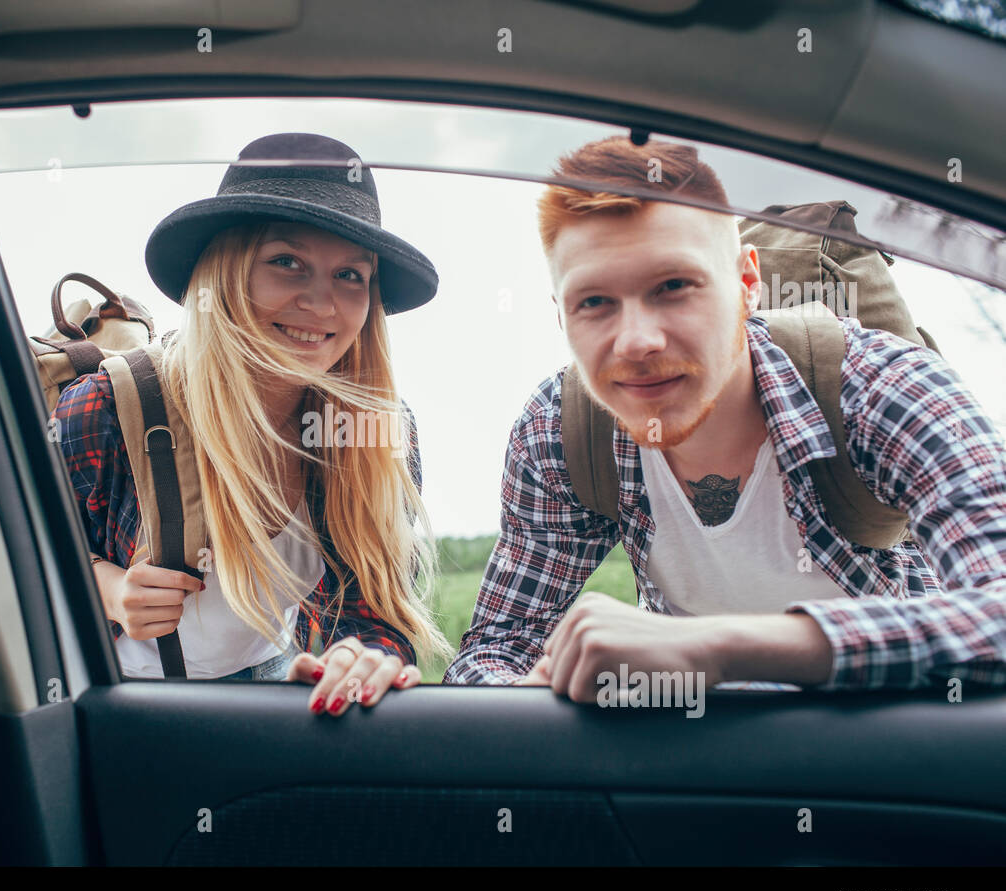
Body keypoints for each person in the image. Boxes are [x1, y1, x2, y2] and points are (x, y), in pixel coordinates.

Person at [444, 135, 1006, 697]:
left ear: (746, 284)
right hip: (698, 763)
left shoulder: (882, 388)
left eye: (673, 287)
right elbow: (498, 646)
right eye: (594, 302)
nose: (637, 341)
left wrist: (716, 649)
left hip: (892, 751)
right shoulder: (557, 433)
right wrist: (535, 694)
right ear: (560, 317)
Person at [57, 132, 451, 714]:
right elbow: (19, 568)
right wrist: (112, 592)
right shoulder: (106, 410)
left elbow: (373, 613)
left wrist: (364, 659)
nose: (322, 304)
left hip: (270, 689)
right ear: (225, 274)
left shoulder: (372, 433)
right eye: (286, 262)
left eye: (351, 275)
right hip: (114, 702)